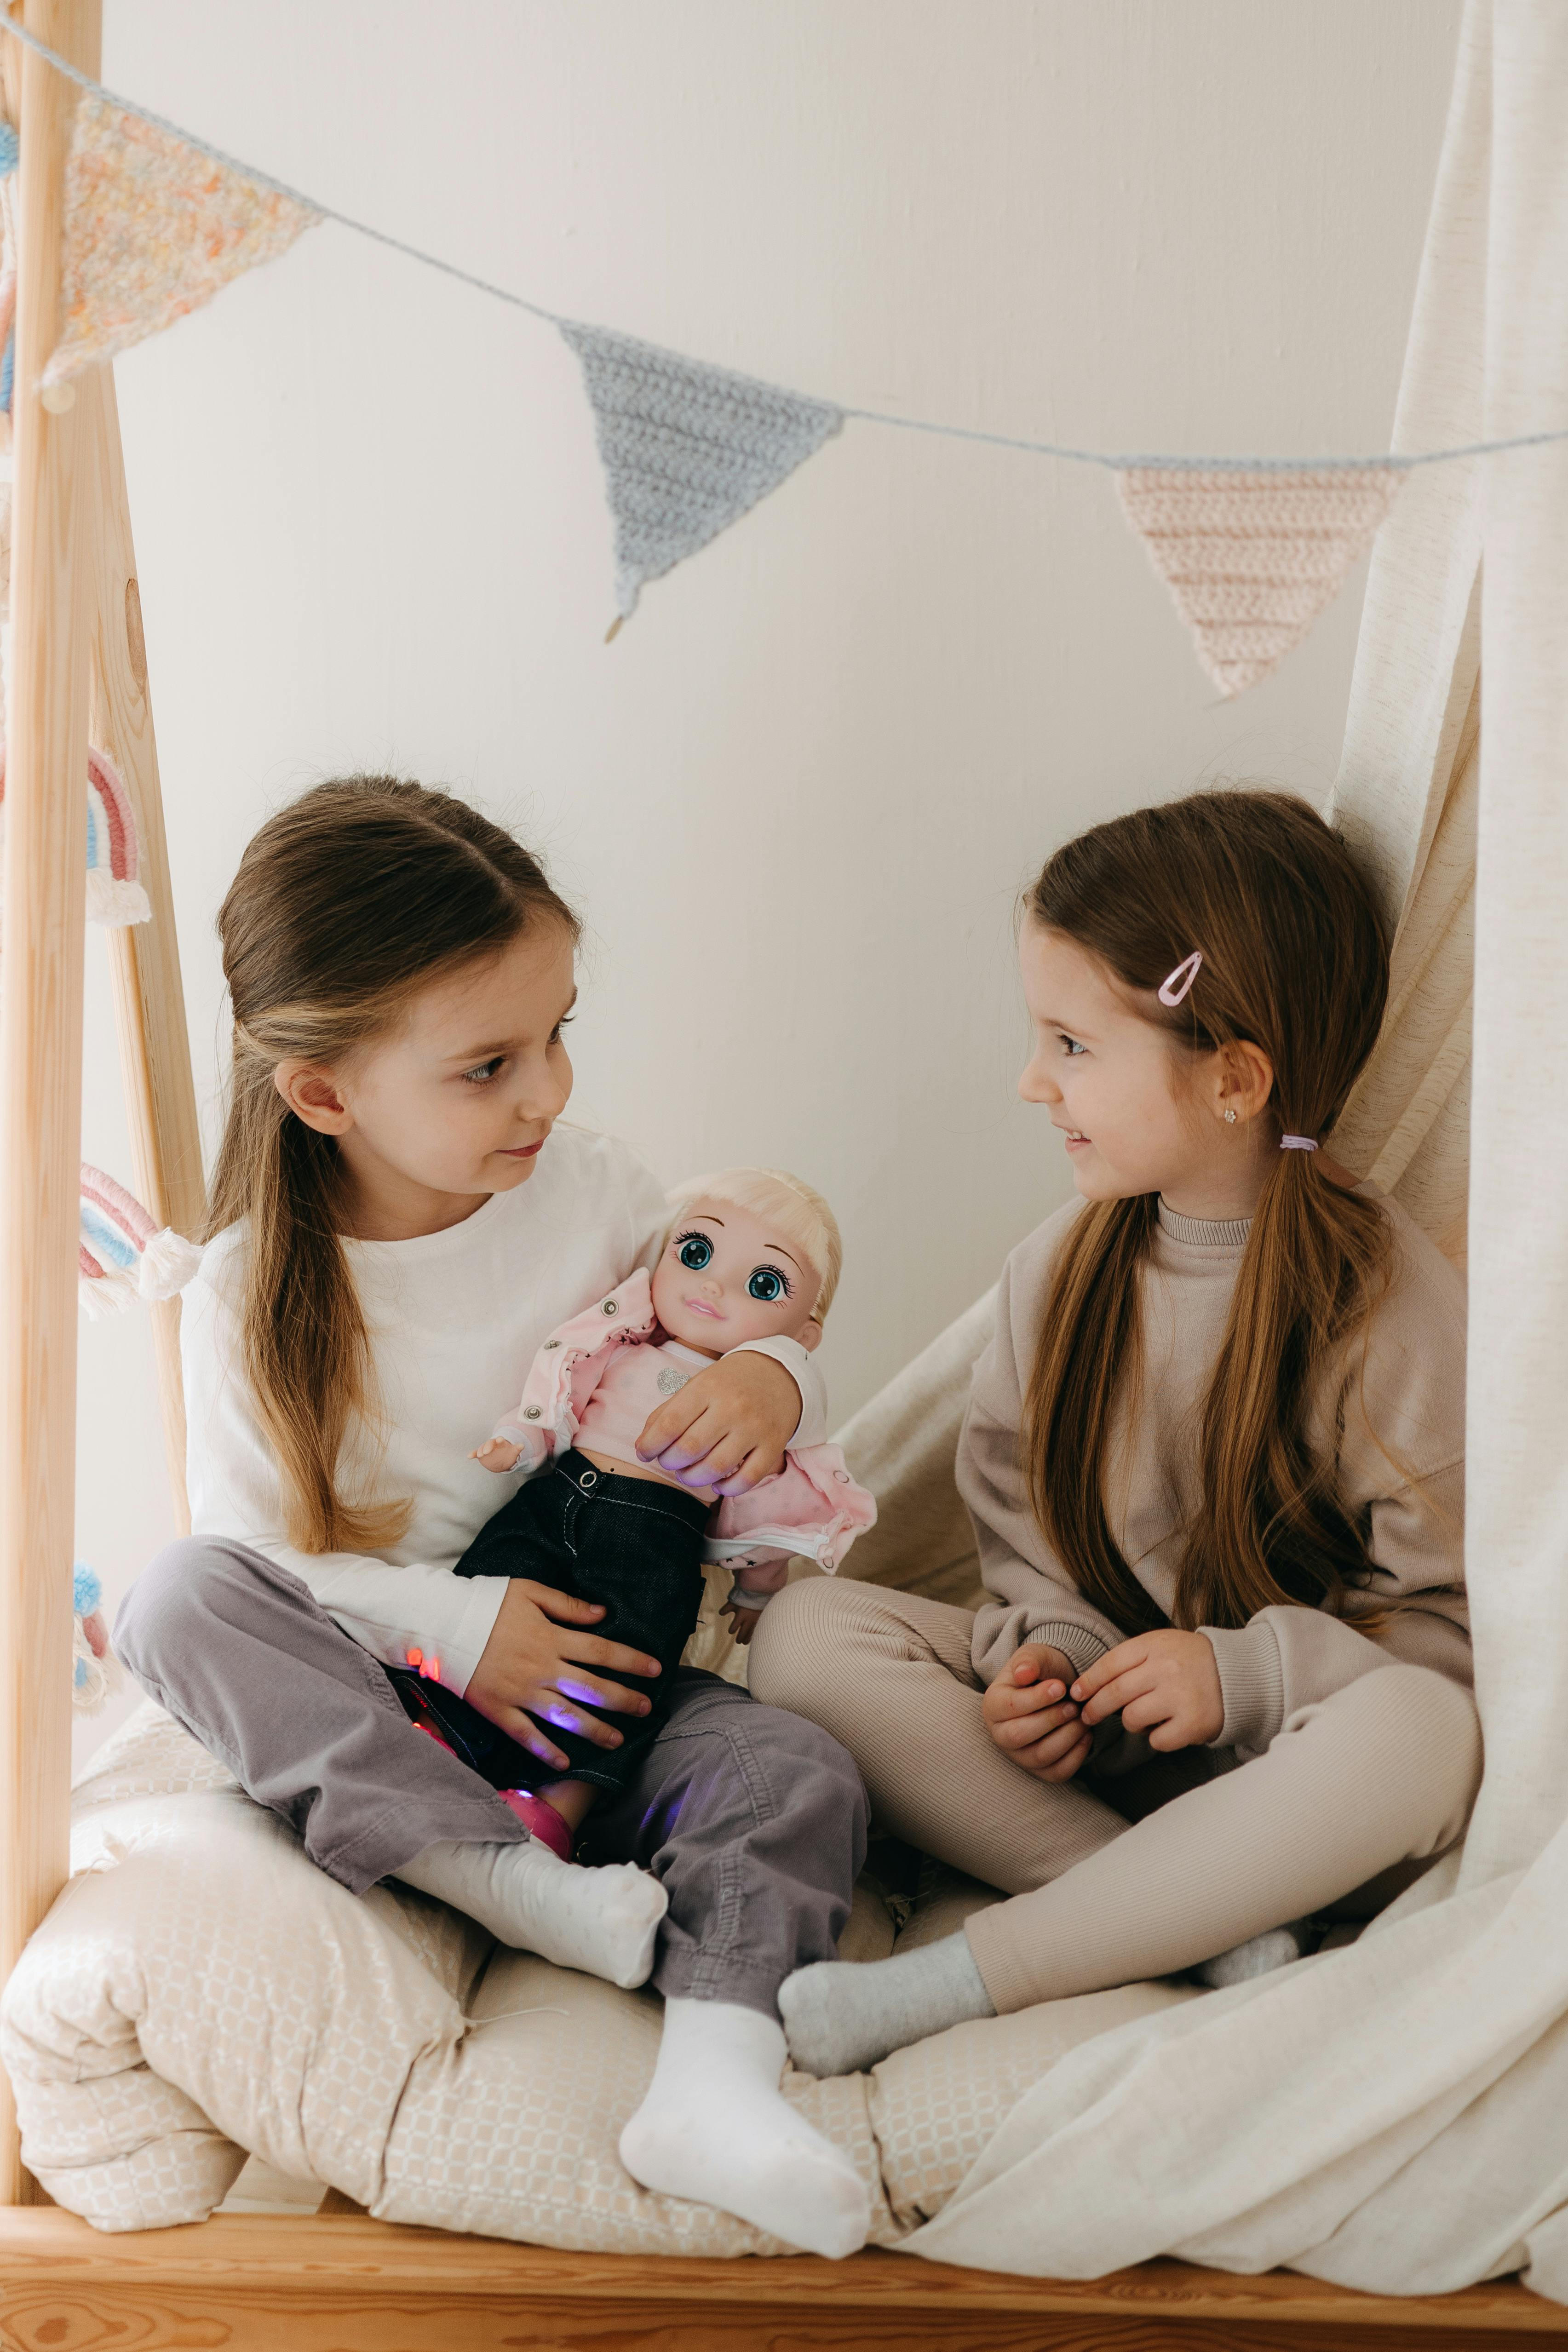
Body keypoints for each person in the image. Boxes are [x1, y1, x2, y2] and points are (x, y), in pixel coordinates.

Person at [114, 776, 873, 2259]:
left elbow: (738, 1317)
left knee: (794, 1771)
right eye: (488, 1067)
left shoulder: (595, 1194)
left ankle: (713, 2085)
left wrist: (776, 1379)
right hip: (395, 1703)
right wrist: (464, 1632)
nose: (549, 1094)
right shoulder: (245, 1290)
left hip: (607, 1683)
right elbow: (262, 1566)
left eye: (558, 1034)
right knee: (175, 1598)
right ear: (325, 1094)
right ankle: (501, 1880)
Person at [750, 787, 1480, 2078]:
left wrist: (1242, 1677)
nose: (1033, 1082)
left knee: (1427, 1735)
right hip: (1111, 1771)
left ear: (1233, 1078)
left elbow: (1450, 1637)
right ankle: (1190, 1923)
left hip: (1296, 1778)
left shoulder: (1391, 1307)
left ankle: (984, 1970)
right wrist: (1054, 1659)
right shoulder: (1057, 1273)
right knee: (806, 1633)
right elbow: (1025, 1546)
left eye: (1073, 1045)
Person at [394, 1168, 873, 1859]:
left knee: (623, 1674)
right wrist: (522, 1438)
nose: (712, 1287)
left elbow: (763, 1507)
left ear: (805, 1333)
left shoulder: (758, 1416)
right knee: (494, 1584)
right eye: (697, 1253)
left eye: (764, 1284)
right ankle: (438, 1731)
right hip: (558, 1496)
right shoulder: (621, 1343)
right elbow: (561, 1390)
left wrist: (756, 1591)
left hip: (655, 1541)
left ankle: (559, 1807)